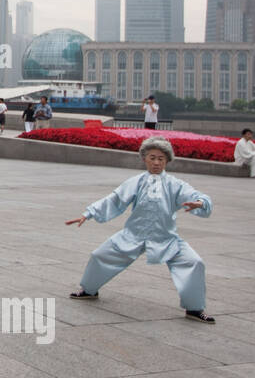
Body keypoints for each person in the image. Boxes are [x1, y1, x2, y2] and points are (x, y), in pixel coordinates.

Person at [66, 136, 215, 324]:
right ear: (144, 158)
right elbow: (114, 200)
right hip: (133, 234)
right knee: (99, 255)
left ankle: (194, 308)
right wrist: (88, 214)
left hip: (166, 237)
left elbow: (198, 196)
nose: (156, 162)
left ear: (167, 161)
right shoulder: (136, 181)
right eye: (152, 157)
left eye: (161, 158)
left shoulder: (175, 184)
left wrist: (200, 203)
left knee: (194, 262)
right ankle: (88, 290)